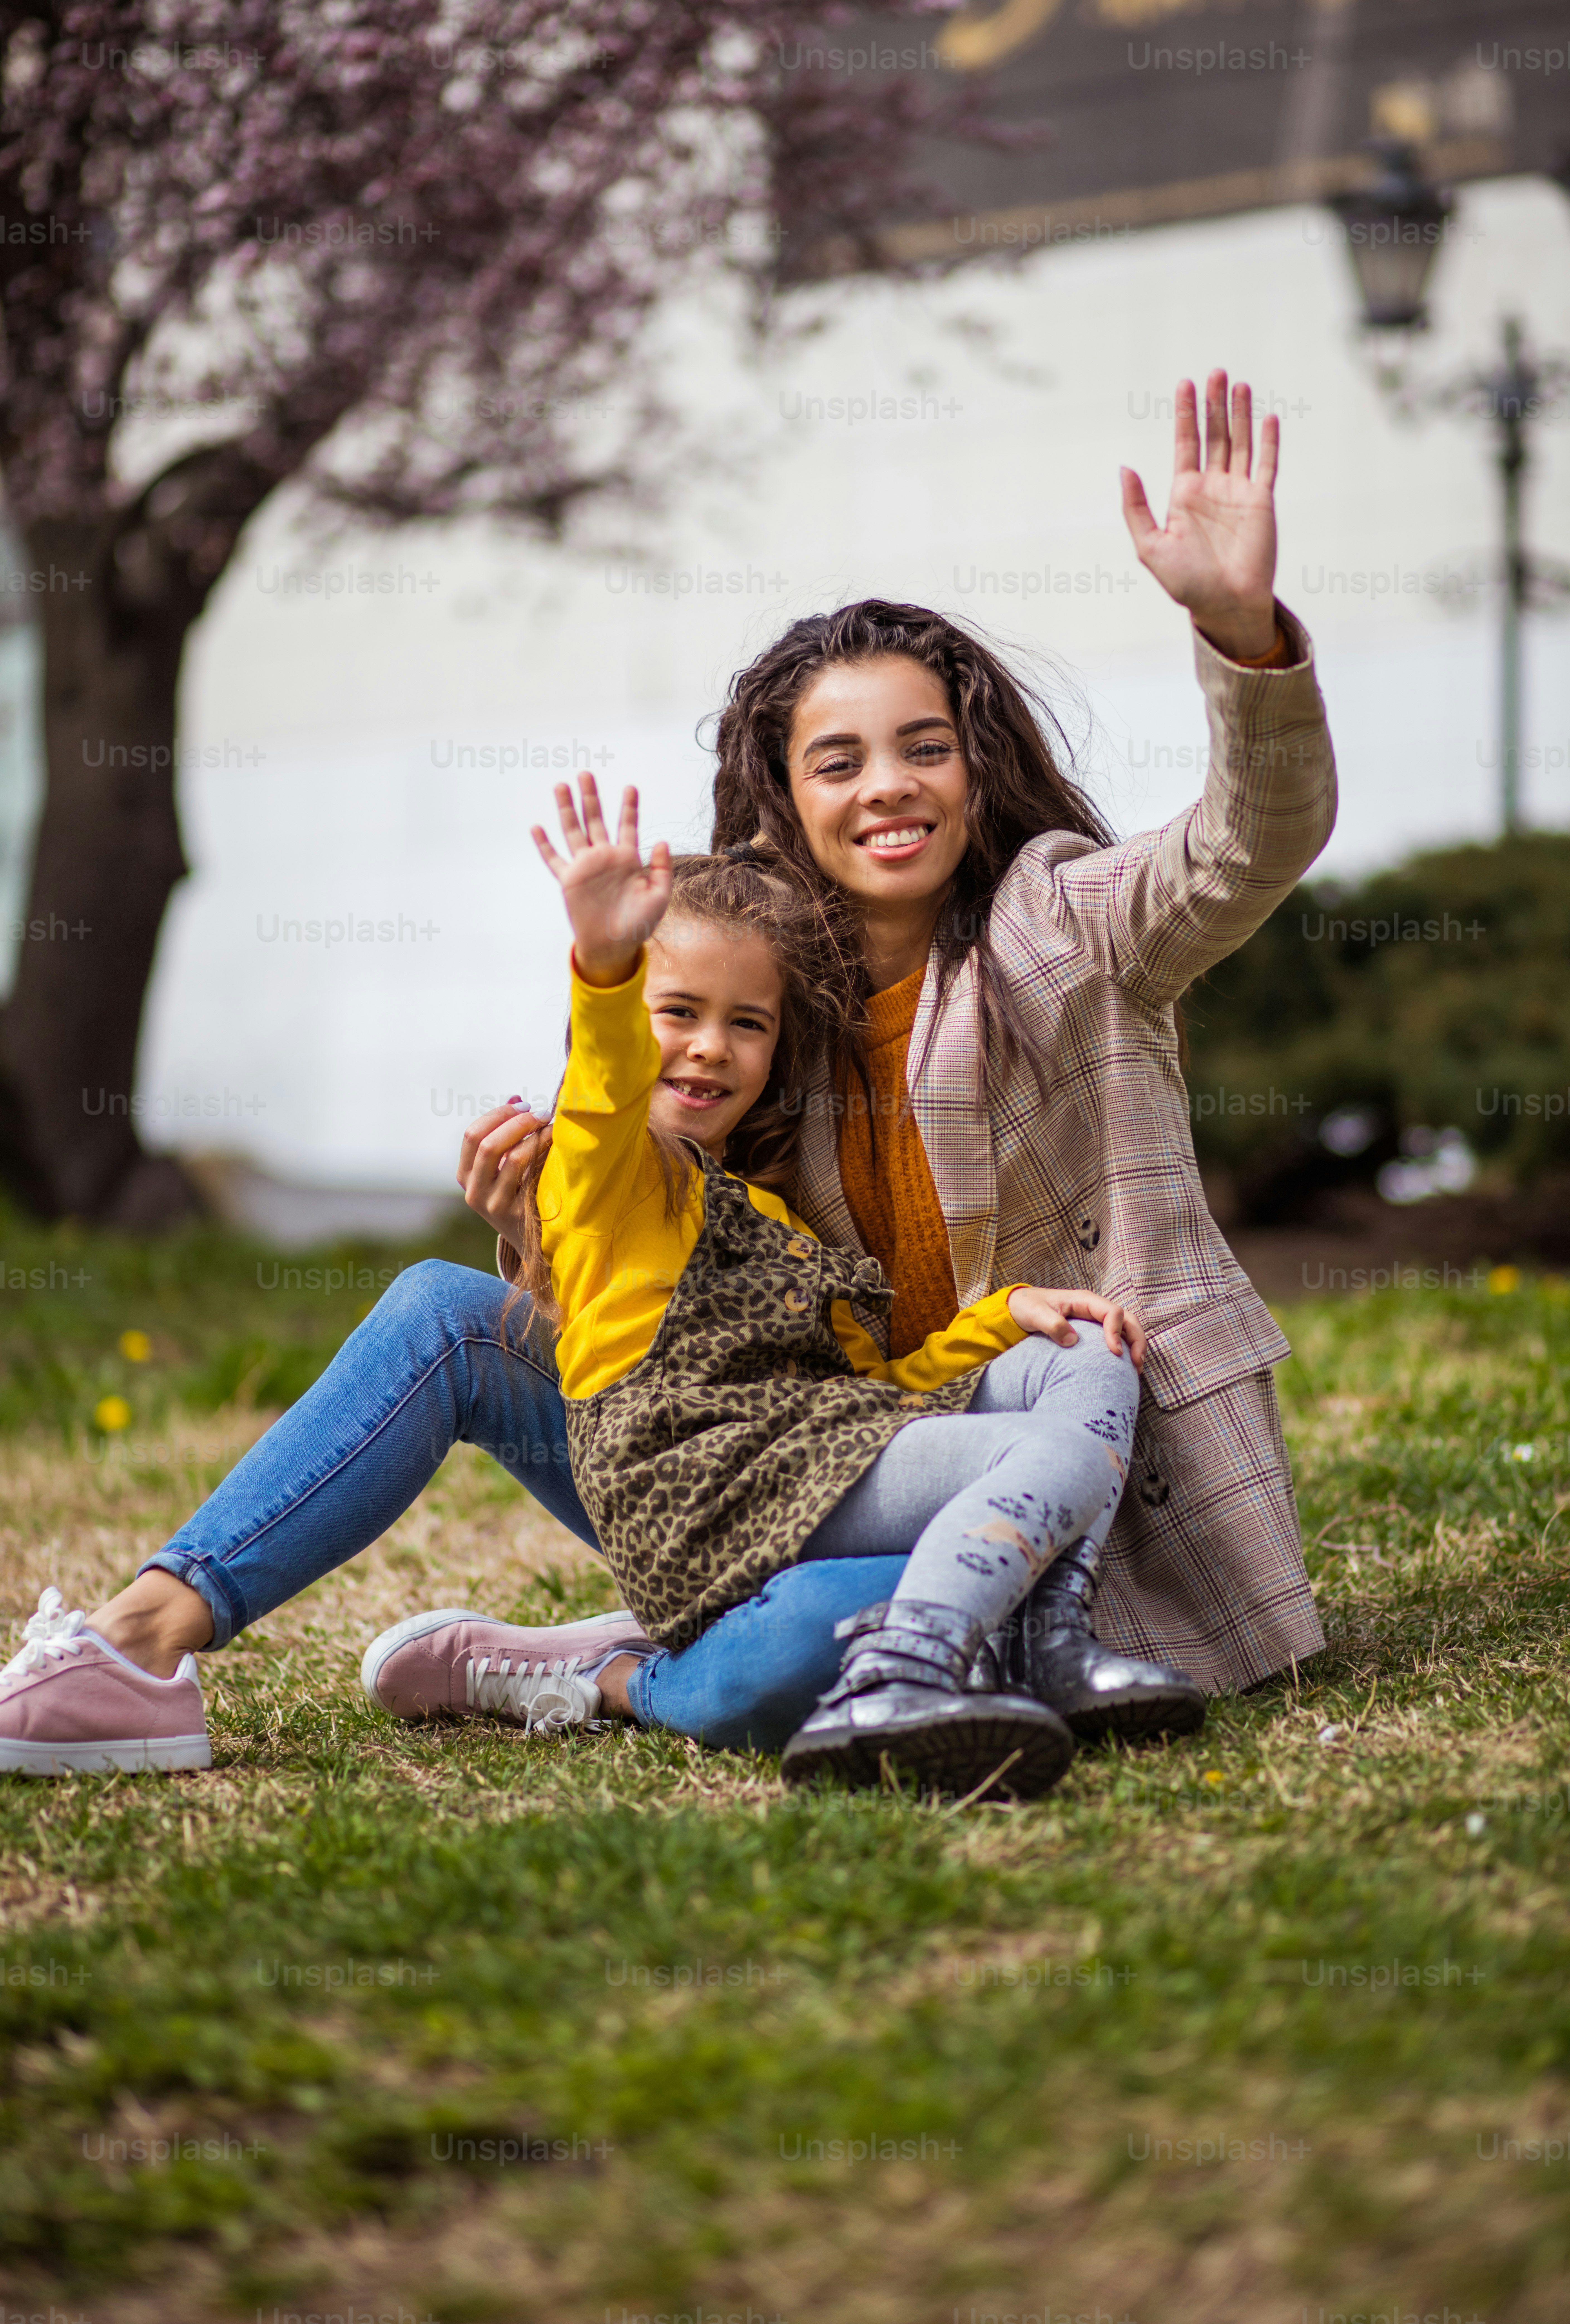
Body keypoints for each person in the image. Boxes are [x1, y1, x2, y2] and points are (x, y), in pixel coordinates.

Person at [0, 369, 1331, 1776]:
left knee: (803, 1648)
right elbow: (675, 1297)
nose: (887, 784)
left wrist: (1237, 630)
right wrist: (540, 1218)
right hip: (757, 1461)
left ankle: (610, 1668)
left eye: (924, 748)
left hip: (1025, 1492)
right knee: (447, 1315)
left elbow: (1248, 844)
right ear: (786, 792)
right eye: (840, 759)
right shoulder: (753, 994)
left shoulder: (1069, 919)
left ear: (976, 768)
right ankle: (137, 1643)